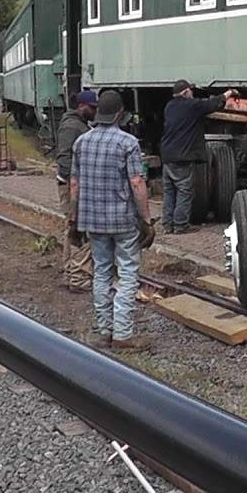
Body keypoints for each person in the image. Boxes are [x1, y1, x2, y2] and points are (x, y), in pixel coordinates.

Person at [68, 90, 156, 351]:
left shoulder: (81, 143)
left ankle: (105, 330)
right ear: (120, 113)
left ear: (98, 112)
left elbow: (74, 184)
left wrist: (73, 220)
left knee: (101, 273)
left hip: (93, 221)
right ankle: (123, 335)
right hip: (123, 221)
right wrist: (147, 220)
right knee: (128, 274)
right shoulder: (127, 143)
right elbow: (137, 183)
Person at [159, 80, 237, 234]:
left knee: (169, 192)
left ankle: (168, 225)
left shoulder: (169, 107)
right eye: (191, 91)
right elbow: (212, 104)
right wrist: (229, 93)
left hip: (167, 156)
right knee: (184, 191)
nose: (193, 94)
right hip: (182, 156)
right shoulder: (191, 106)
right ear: (186, 93)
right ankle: (180, 225)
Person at [55, 90, 97, 219]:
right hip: (71, 187)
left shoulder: (80, 124)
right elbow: (64, 157)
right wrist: (75, 182)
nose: (96, 111)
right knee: (73, 227)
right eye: (93, 107)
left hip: (76, 184)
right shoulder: (71, 127)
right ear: (81, 106)